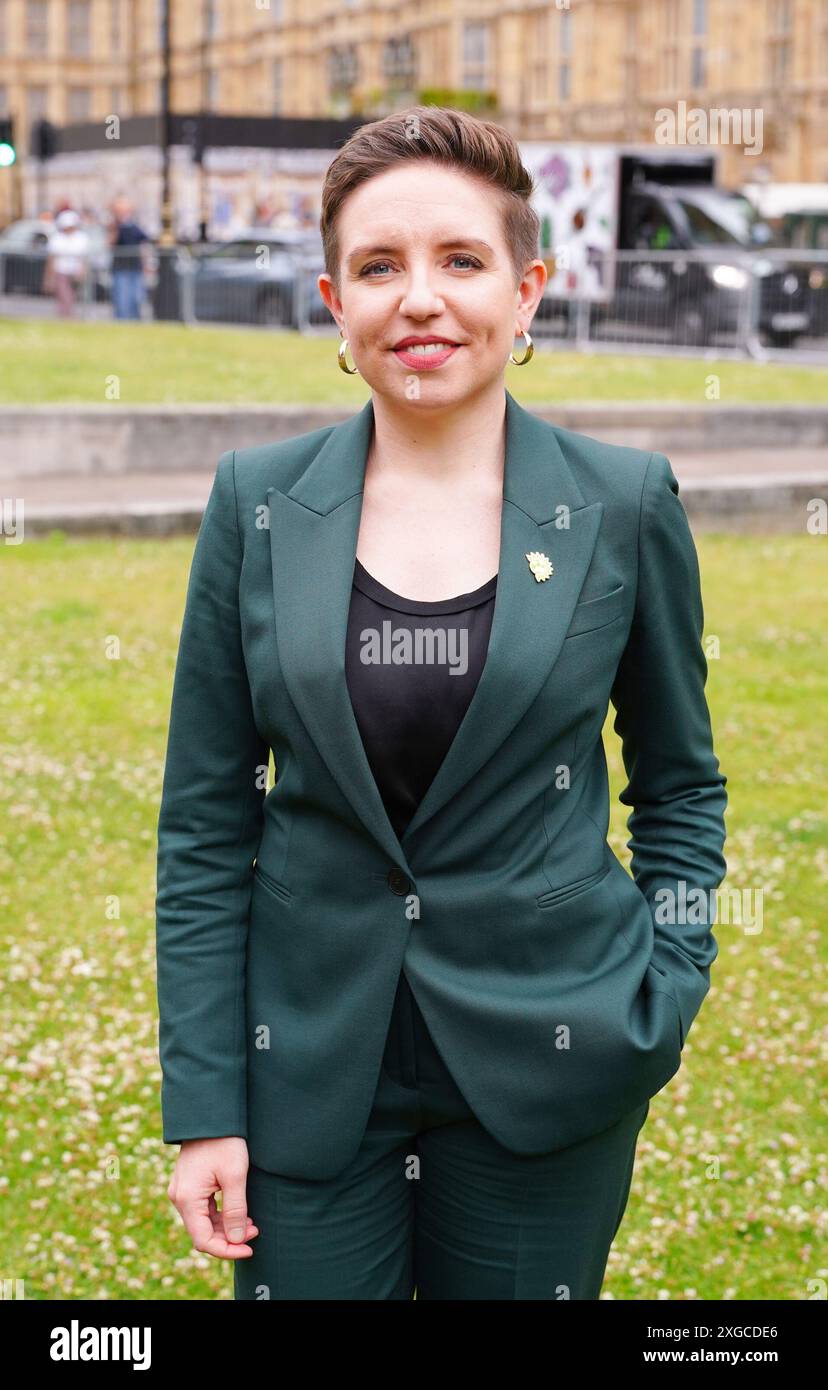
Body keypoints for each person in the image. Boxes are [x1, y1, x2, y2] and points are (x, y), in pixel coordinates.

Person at [155, 105, 728, 1300]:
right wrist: (205, 1102)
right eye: (380, 266)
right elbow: (206, 824)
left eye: (460, 261)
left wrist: (664, 987)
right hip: (307, 1073)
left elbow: (681, 783)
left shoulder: (623, 504)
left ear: (526, 293)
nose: (420, 299)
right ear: (334, 304)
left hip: (549, 1064)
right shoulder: (254, 503)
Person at [109, 195, 150, 320]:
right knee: (122, 298)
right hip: (120, 267)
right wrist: (116, 226)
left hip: (135, 267)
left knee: (136, 298)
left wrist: (146, 263)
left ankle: (135, 321)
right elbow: (110, 243)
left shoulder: (134, 226)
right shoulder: (114, 226)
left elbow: (144, 244)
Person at [44, 208, 89, 317]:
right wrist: (49, 277)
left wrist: (82, 271)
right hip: (61, 270)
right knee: (64, 295)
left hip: (74, 271)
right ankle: (66, 316)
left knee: (72, 296)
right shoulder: (57, 238)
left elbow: (83, 258)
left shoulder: (81, 238)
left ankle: (67, 315)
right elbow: (52, 258)